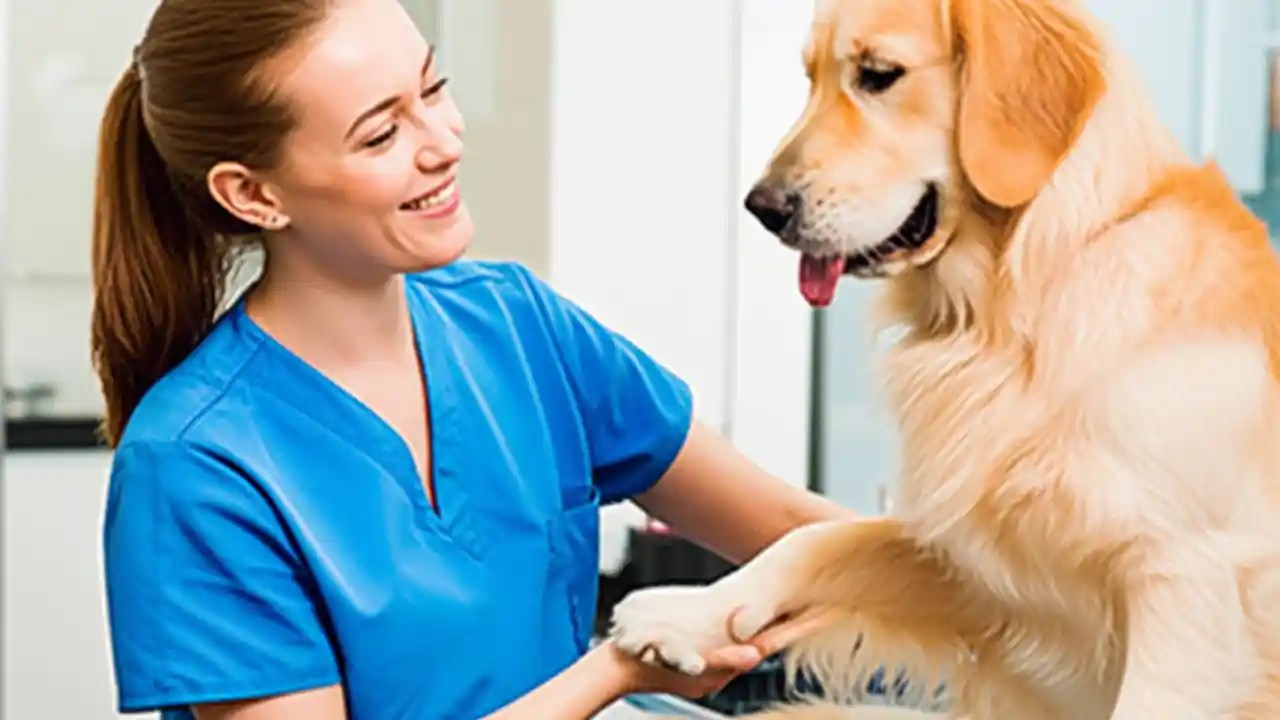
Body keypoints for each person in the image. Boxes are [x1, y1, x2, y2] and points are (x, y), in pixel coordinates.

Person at [90, 0, 852, 717]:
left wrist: (967, 565)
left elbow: (793, 529)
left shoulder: (518, 326)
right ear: (254, 195)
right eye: (381, 134)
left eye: (433, 88)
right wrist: (616, 670)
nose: (445, 142)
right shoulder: (194, 466)